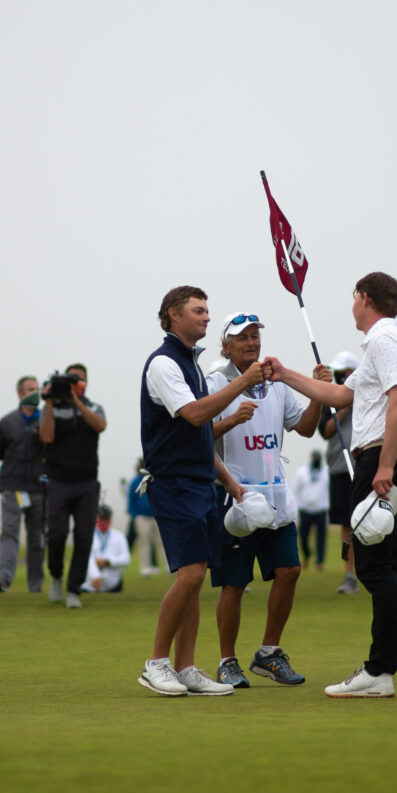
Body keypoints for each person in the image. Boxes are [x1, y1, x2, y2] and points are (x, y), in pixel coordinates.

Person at [263, 272, 397, 698]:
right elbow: (337, 396)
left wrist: (384, 466)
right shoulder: (379, 344)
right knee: (385, 566)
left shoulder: (384, 341)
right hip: (394, 460)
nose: (351, 304)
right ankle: (379, 670)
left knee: (370, 567)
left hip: (384, 459)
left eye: (354, 296)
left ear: (365, 298)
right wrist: (284, 374)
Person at [137, 285, 261, 697]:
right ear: (172, 315)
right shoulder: (163, 364)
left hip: (199, 484)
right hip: (172, 484)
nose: (207, 317)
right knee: (190, 574)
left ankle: (186, 667)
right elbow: (193, 415)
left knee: (195, 577)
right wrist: (243, 382)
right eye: (198, 311)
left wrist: (229, 481)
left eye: (207, 311)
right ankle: (156, 663)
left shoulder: (190, 363)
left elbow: (201, 437)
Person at [206, 310, 327, 689]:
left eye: (256, 336)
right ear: (225, 346)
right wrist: (231, 420)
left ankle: (269, 653)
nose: (252, 342)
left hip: (276, 497)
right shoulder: (214, 383)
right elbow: (196, 436)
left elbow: (306, 429)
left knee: (289, 571)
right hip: (234, 499)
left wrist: (318, 395)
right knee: (235, 584)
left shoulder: (275, 383)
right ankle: (227, 662)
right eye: (243, 337)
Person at [39, 363, 107, 609]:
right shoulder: (51, 407)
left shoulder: (93, 406)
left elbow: (99, 426)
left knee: (83, 536)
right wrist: (48, 401)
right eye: (71, 380)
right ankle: (56, 575)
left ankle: (73, 590)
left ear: (84, 383)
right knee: (56, 534)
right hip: (58, 481)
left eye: (79, 380)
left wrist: (76, 401)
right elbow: (45, 437)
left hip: (87, 482)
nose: (75, 384)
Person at [0, 376, 48, 593]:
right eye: (30, 389)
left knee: (36, 538)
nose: (35, 392)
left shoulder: (47, 419)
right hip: (12, 485)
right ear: (20, 393)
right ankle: (1, 579)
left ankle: (35, 586)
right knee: (9, 532)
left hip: (39, 487)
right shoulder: (7, 422)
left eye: (37, 389)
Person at [319, 351, 360, 594]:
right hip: (339, 468)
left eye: (343, 372)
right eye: (337, 373)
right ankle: (349, 575)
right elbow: (325, 431)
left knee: (369, 522)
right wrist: (343, 405)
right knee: (346, 524)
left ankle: (376, 572)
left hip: (364, 466)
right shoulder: (329, 398)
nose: (339, 376)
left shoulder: (369, 394)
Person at [292, 450, 330, 571]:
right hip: (305, 509)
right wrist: (295, 508)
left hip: (321, 509)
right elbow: (295, 490)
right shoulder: (301, 472)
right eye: (315, 458)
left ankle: (319, 562)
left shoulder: (327, 471)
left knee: (321, 538)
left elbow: (331, 490)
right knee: (303, 536)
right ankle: (307, 556)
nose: (316, 460)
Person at [126, 458, 163, 576]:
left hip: (157, 516)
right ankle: (145, 568)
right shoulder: (134, 482)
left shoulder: (155, 480)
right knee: (144, 542)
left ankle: (169, 567)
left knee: (163, 542)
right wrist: (134, 515)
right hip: (141, 517)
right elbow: (131, 501)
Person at [84, 505, 130, 592]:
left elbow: (126, 559)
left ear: (110, 520)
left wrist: (108, 561)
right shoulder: (87, 535)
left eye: (106, 520)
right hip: (89, 583)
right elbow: (85, 557)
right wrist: (95, 575)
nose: (103, 523)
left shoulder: (119, 536)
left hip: (112, 583)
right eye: (100, 520)